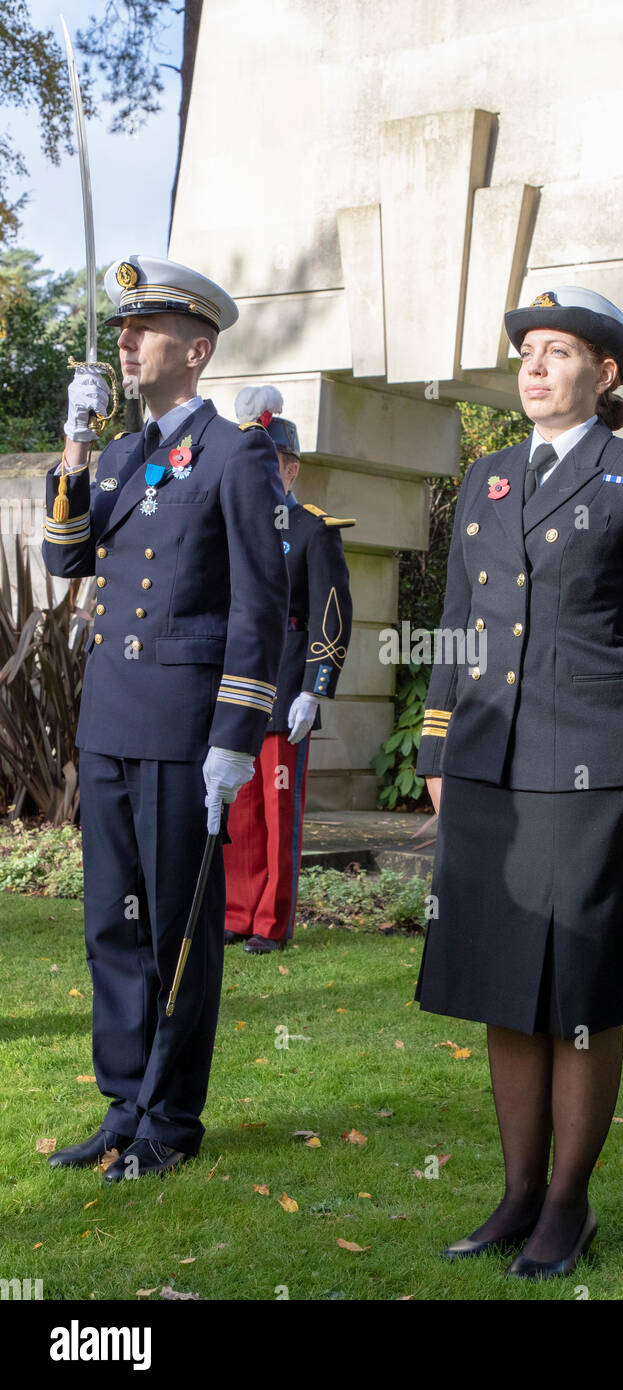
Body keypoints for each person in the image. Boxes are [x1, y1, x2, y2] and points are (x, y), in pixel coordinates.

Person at [415, 286, 623, 1278]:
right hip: (489, 765)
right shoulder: (486, 479)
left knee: (577, 989)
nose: (533, 366)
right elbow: (456, 624)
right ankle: (517, 1193)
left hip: (590, 775)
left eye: (556, 351)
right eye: (525, 352)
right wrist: (437, 747)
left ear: (603, 373)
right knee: (506, 986)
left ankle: (569, 1204)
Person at [42, 255, 289, 1179]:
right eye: (122, 329)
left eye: (144, 330)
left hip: (186, 726)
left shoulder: (236, 453)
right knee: (112, 918)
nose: (126, 343)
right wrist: (72, 447)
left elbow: (261, 609)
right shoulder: (120, 455)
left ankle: (170, 1118)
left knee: (175, 928)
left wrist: (235, 738)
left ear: (197, 348)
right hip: (110, 718)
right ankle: (122, 1103)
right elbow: (65, 559)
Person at [223, 385, 353, 953]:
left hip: (283, 691)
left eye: (269, 462)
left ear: (291, 469)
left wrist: (314, 690)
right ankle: (236, 912)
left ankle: (271, 923)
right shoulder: (230, 530)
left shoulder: (313, 531)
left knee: (278, 812)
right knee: (239, 808)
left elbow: (333, 615)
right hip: (233, 691)